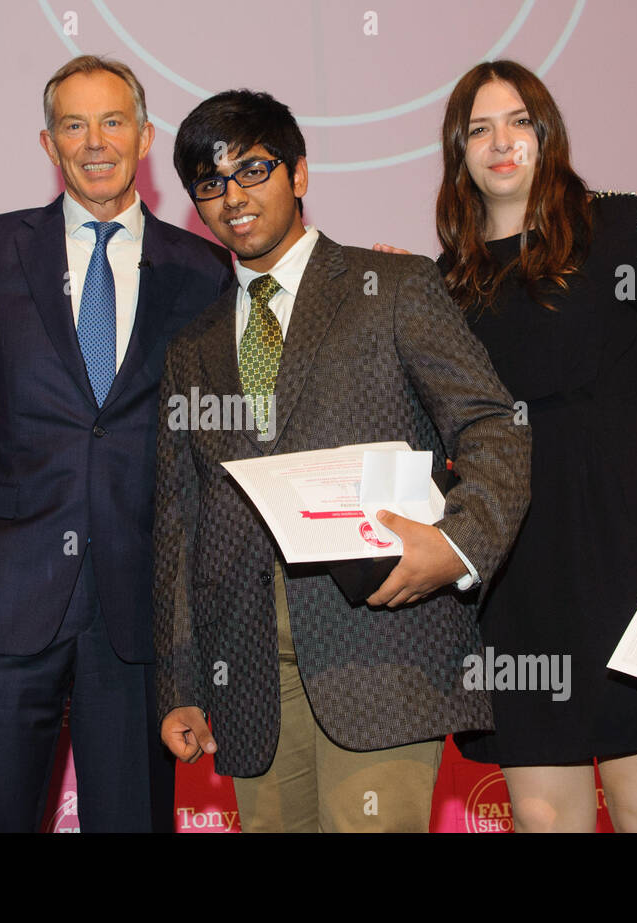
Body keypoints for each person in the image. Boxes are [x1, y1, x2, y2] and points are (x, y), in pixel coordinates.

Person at [378, 59, 637, 832]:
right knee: (547, 816)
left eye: (519, 120)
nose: (501, 142)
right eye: (478, 130)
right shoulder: (443, 287)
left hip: (633, 545)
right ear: (458, 155)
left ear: (548, 132)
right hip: (515, 564)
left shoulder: (627, 225)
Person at [154, 89, 531, 832]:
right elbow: (180, 522)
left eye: (253, 169)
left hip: (382, 643)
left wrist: (455, 545)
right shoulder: (190, 348)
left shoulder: (392, 287)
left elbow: (495, 427)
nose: (232, 196)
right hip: (249, 671)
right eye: (210, 181)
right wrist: (182, 678)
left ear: (298, 173)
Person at [0, 55, 231, 833]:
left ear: (144, 136)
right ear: (47, 142)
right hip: (1, 600)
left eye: (112, 121)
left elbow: (221, 441)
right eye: (74, 124)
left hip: (141, 614)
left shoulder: (202, 268)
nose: (94, 141)